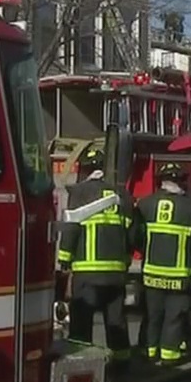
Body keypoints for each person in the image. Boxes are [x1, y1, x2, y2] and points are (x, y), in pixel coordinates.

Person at [56, 147, 133, 366]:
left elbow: (71, 229)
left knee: (82, 322)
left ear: (85, 169)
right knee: (116, 321)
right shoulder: (120, 195)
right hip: (116, 274)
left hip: (88, 274)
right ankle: (122, 365)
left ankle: (83, 364)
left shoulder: (79, 193)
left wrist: (64, 259)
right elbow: (131, 231)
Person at [132, 162, 191, 366]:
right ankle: (170, 355)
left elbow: (135, 236)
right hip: (179, 276)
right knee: (174, 316)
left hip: (151, 274)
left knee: (152, 315)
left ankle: (148, 352)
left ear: (161, 182)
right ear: (181, 182)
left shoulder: (145, 204)